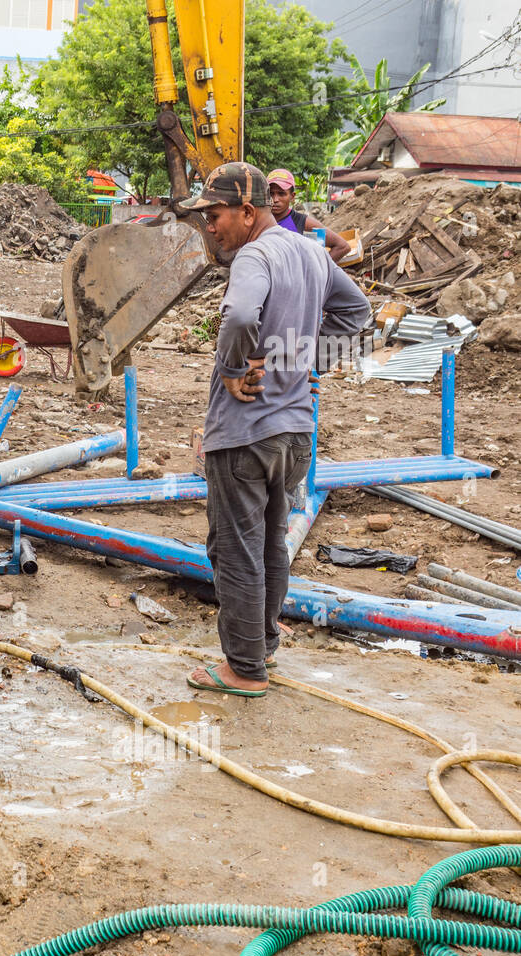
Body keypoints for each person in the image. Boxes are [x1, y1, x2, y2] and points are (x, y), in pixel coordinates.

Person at [179, 163, 369, 698]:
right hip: (296, 433)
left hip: (245, 434)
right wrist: (299, 357)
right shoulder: (311, 250)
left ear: (246, 211)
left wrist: (238, 369)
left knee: (235, 549)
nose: (210, 228)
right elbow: (357, 313)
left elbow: (239, 316)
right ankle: (261, 645)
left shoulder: (255, 255)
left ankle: (243, 668)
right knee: (269, 543)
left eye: (215, 216)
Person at [266, 169, 351, 264]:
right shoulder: (258, 220)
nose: (275, 199)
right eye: (271, 193)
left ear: (292, 197)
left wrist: (316, 272)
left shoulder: (303, 223)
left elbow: (342, 246)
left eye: (281, 194)